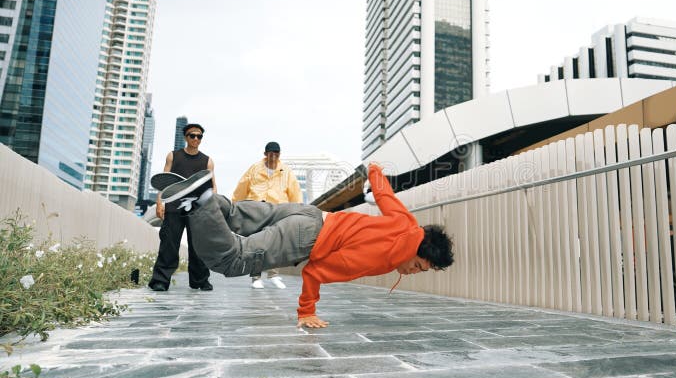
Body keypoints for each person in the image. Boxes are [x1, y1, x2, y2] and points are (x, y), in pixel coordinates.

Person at [156, 163, 454, 328]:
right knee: (233, 261)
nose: (413, 271)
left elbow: (384, 191)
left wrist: (375, 171)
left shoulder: (407, 222)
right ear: (418, 252)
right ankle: (201, 201)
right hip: (305, 238)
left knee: (236, 215)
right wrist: (306, 311)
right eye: (417, 266)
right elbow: (316, 271)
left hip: (308, 213)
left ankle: (201, 195)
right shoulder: (380, 260)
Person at [147, 123, 216, 292]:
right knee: (168, 245)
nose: (196, 139)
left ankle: (200, 280)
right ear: (186, 137)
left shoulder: (207, 161)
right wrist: (159, 202)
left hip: (197, 209)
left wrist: (212, 207)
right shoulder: (173, 156)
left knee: (198, 246)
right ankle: (160, 281)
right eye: (192, 135)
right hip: (174, 207)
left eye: (199, 136)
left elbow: (212, 186)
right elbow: (163, 180)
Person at [232, 141, 302, 289]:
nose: (273, 157)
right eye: (271, 153)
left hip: (277, 210)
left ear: (279, 154)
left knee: (276, 244)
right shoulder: (254, 169)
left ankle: (274, 275)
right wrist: (235, 206)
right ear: (265, 154)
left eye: (276, 154)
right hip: (257, 210)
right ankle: (256, 277)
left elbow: (295, 192)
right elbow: (242, 187)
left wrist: (298, 210)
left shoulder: (286, 171)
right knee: (257, 243)